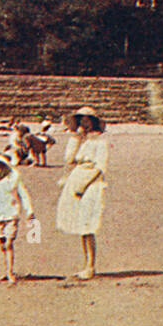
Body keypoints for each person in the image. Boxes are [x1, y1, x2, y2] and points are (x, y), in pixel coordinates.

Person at [56, 107, 108, 280]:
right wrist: (76, 138)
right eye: (82, 119)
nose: (84, 122)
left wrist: (83, 185)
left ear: (93, 121)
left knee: (88, 226)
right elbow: (69, 159)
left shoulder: (101, 142)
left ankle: (90, 266)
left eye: (88, 119)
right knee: (81, 226)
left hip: (91, 184)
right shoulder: (81, 140)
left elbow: (100, 167)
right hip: (77, 180)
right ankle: (86, 265)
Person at [0, 154, 34, 286]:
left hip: (11, 215)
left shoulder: (13, 180)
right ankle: (6, 270)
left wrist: (29, 211)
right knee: (1, 243)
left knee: (9, 243)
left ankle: (10, 272)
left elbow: (23, 195)